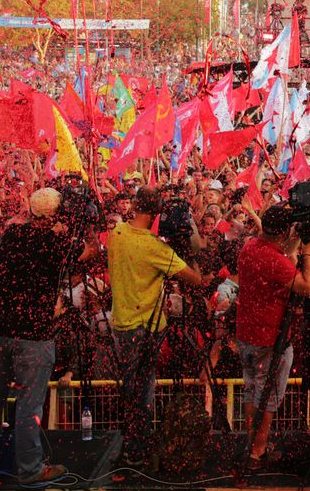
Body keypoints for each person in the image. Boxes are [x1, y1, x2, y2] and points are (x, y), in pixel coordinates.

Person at [0, 187, 91, 486]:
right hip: (34, 334)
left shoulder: (13, 235)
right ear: (54, 215)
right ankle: (30, 469)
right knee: (29, 404)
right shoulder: (56, 241)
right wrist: (81, 232)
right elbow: (88, 254)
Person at [107, 186, 205, 467]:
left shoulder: (117, 233)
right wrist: (190, 248)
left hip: (121, 324)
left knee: (129, 387)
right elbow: (196, 280)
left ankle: (130, 442)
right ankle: (139, 447)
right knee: (144, 389)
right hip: (147, 329)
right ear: (155, 213)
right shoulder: (154, 248)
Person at [234, 205, 310, 472]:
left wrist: (292, 244)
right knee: (267, 397)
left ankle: (253, 446)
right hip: (270, 340)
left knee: (252, 392)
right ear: (284, 231)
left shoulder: (250, 247)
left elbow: (281, 254)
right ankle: (258, 452)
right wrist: (308, 255)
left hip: (246, 335)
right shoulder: (275, 261)